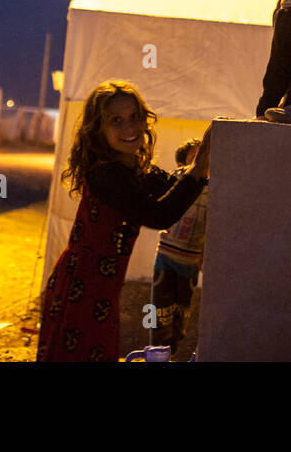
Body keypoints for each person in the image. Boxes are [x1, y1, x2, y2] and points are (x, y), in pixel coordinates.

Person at [37, 80, 210, 362]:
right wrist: (198, 167)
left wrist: (202, 172)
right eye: (115, 121)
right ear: (98, 130)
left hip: (102, 288)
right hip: (82, 289)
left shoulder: (132, 168)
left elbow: (171, 187)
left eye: (134, 118)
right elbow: (159, 214)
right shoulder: (107, 173)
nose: (129, 128)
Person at [150, 138, 209, 357]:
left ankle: (171, 352)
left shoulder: (212, 188)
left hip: (191, 261)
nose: (199, 162)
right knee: (160, 311)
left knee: (181, 313)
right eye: (194, 157)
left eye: (202, 157)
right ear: (182, 162)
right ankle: (157, 353)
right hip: (166, 255)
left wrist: (203, 255)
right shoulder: (175, 180)